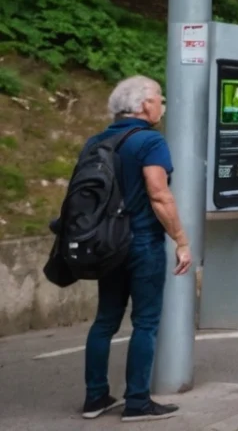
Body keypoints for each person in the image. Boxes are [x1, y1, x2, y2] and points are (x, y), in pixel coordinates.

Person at [80, 76, 189, 421]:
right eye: (160, 99)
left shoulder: (97, 141)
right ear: (144, 105)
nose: (162, 105)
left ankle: (95, 397)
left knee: (105, 321)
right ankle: (138, 401)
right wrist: (182, 240)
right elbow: (159, 194)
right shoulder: (149, 141)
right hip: (142, 242)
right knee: (145, 322)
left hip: (106, 243)